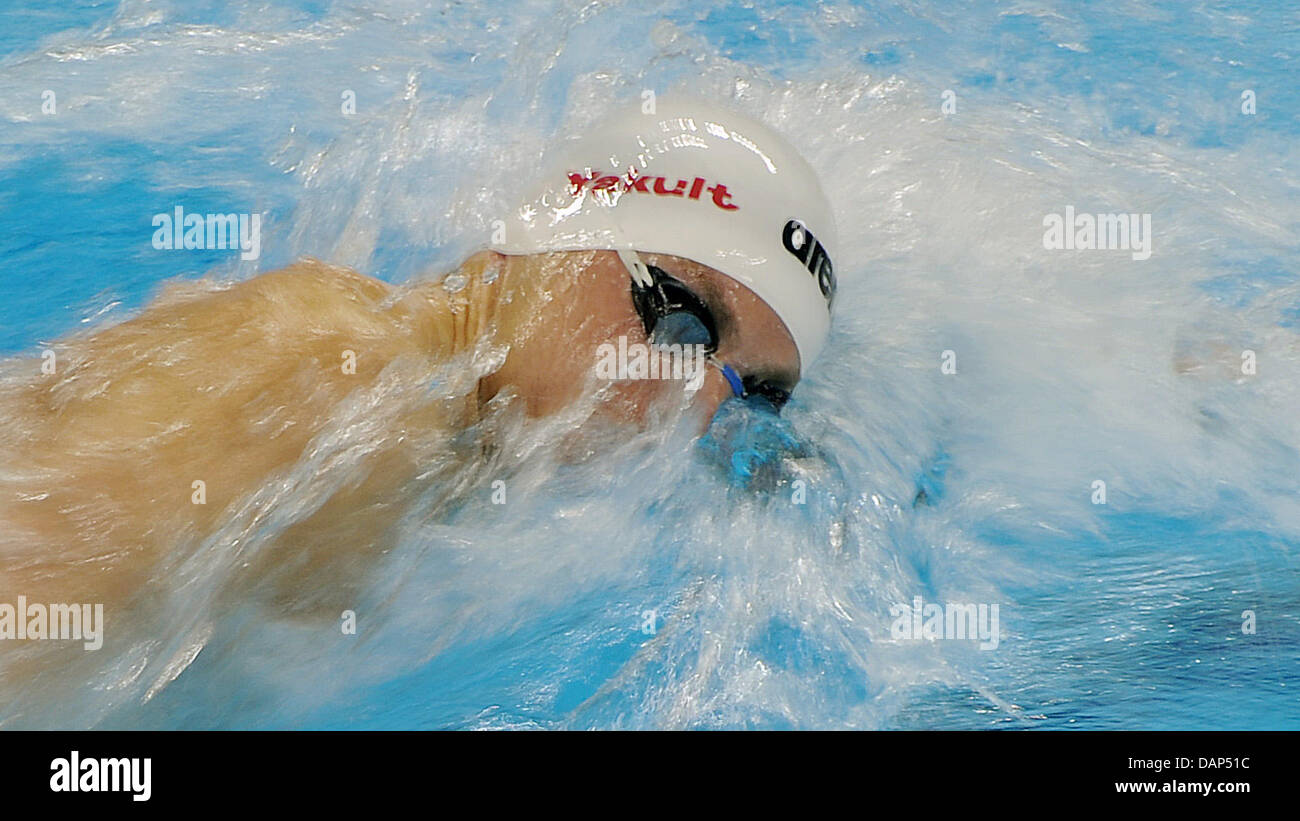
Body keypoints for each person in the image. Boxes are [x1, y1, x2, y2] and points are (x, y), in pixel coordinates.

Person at [0, 97, 837, 662]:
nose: (692, 410)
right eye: (680, 318)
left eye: (751, 392)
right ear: (546, 242)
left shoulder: (446, 451)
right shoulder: (335, 378)